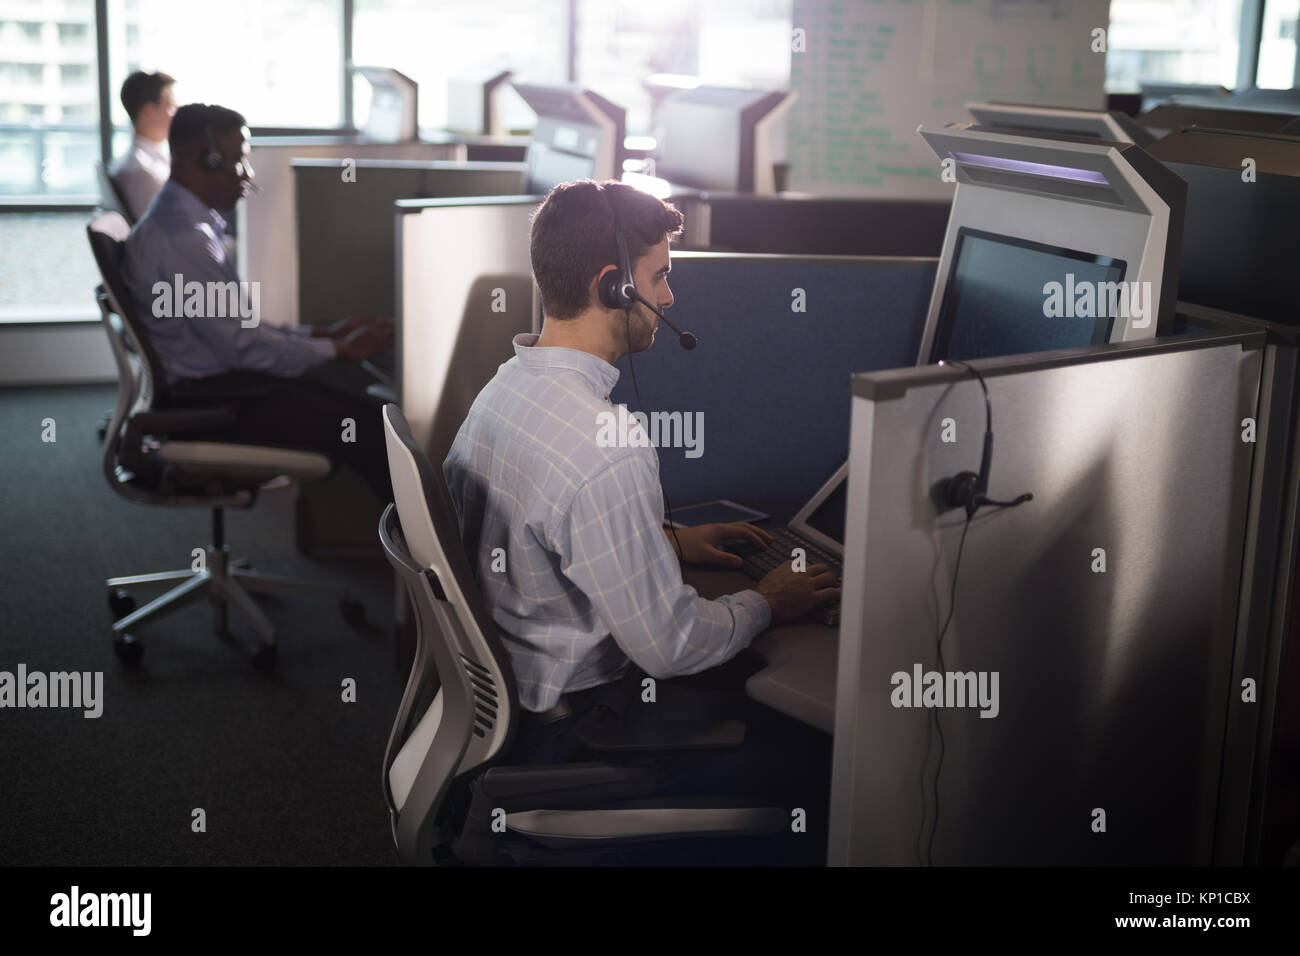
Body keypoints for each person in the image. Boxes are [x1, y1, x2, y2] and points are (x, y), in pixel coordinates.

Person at [442, 180, 839, 830]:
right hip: (577, 726)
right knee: (808, 767)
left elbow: (531, 530)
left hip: (505, 705)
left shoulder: (507, 386)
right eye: (659, 277)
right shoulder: (608, 447)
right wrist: (770, 601)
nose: (668, 298)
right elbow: (671, 648)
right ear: (612, 287)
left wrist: (667, 543)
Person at [121, 103, 395, 504]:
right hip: (211, 404)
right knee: (367, 425)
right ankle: (424, 558)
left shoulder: (185, 226)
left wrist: (324, 333)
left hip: (212, 384)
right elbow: (242, 346)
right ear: (204, 158)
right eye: (237, 161)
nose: (247, 176)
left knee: (352, 392)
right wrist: (337, 348)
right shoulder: (184, 240)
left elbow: (239, 331)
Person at [111, 72, 177, 221]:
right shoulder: (141, 172)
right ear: (147, 112)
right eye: (171, 106)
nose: (176, 114)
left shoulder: (147, 162)